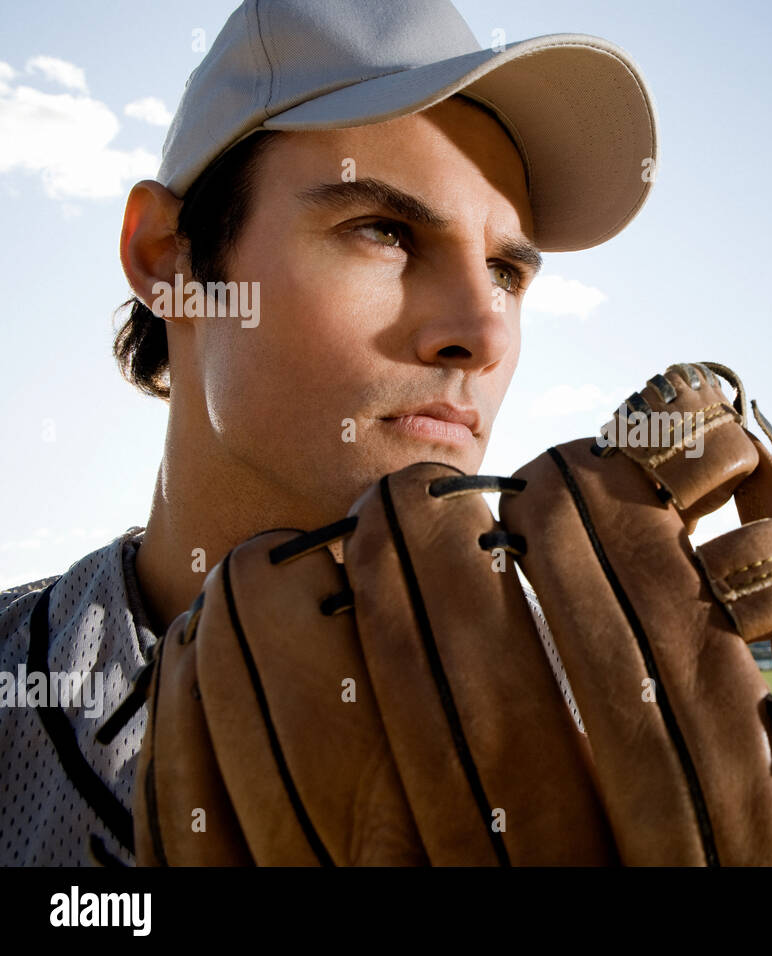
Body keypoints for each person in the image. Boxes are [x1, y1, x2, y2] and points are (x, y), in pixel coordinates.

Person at [0, 0, 657, 866]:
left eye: (504, 270)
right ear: (169, 259)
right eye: (383, 231)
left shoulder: (615, 731)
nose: (484, 330)